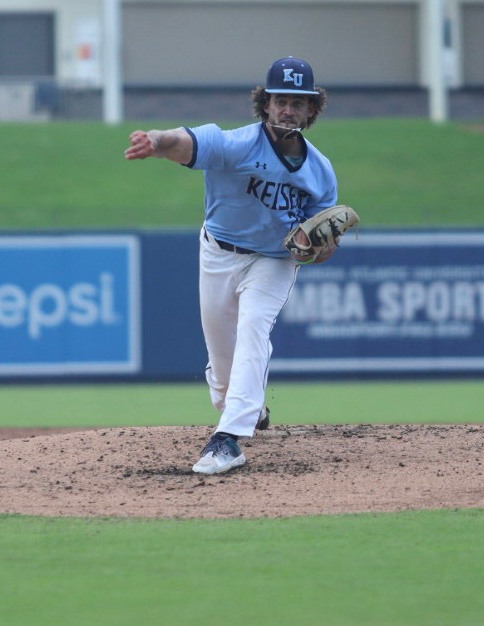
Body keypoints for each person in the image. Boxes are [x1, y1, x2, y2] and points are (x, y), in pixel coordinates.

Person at [124, 56, 342, 474]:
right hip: (219, 253)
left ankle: (228, 440)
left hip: (274, 261)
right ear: (265, 103)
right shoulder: (237, 144)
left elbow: (322, 245)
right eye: (281, 100)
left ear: (312, 110)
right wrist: (154, 140)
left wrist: (316, 249)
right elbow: (183, 141)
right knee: (222, 363)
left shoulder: (319, 171)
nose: (288, 109)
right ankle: (244, 407)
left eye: (299, 102)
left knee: (253, 328)